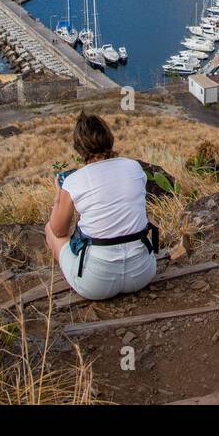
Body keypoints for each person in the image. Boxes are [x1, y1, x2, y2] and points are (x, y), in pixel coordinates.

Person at [44, 112, 158, 300]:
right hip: (142, 273)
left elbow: (58, 230)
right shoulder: (134, 167)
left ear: (79, 147)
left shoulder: (74, 181)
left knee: (50, 230)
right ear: (109, 138)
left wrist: (59, 196)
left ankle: (72, 272)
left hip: (96, 284)